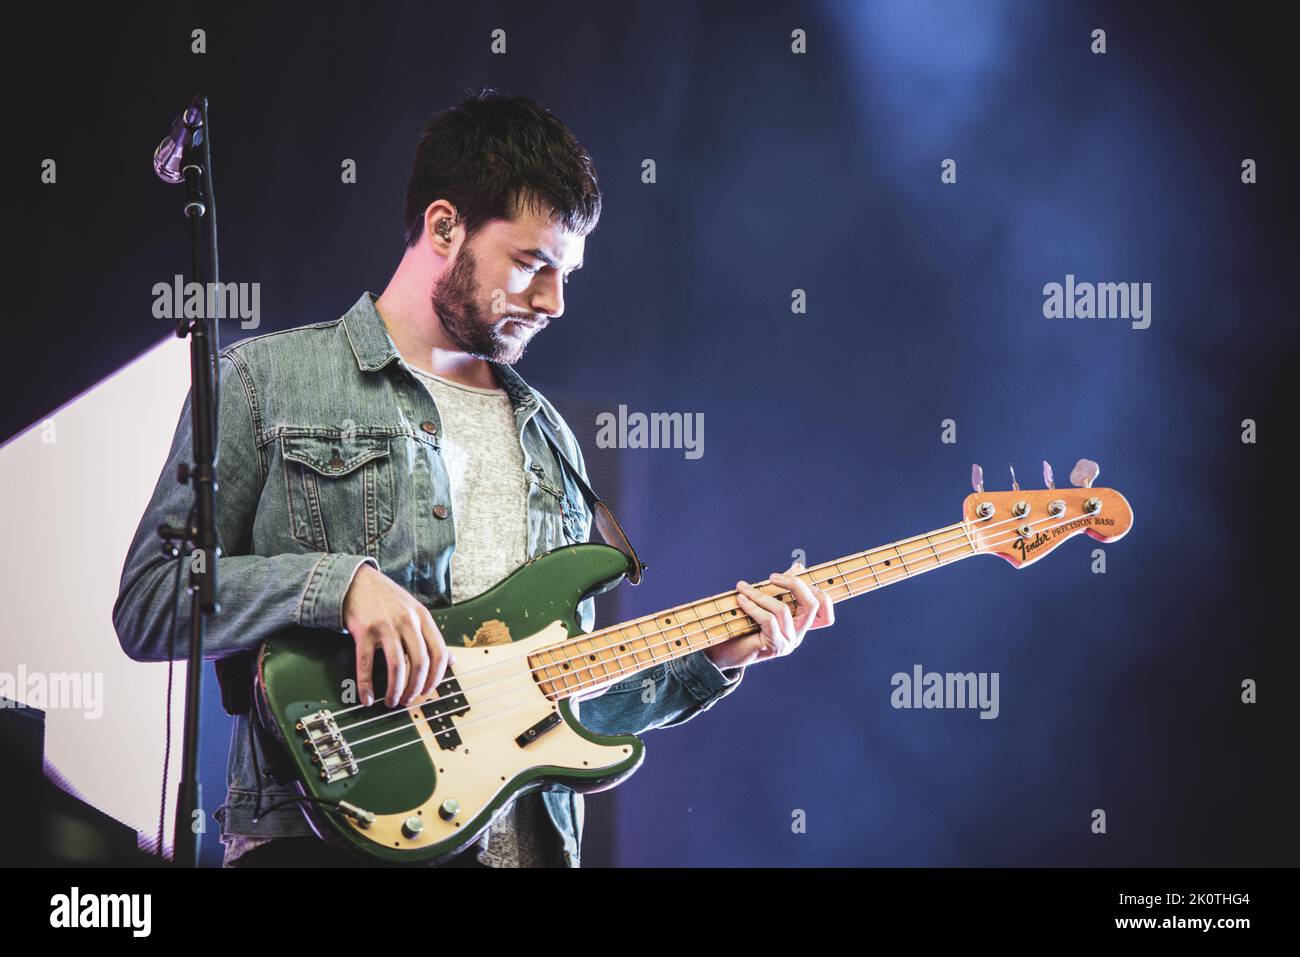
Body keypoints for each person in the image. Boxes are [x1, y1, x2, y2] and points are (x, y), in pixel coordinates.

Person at [113, 91, 834, 868]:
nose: (555, 301)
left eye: (568, 273)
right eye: (532, 263)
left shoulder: (553, 442)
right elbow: (151, 602)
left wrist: (712, 656)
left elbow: (558, 702)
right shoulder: (262, 381)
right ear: (444, 226)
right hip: (326, 842)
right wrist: (339, 586)